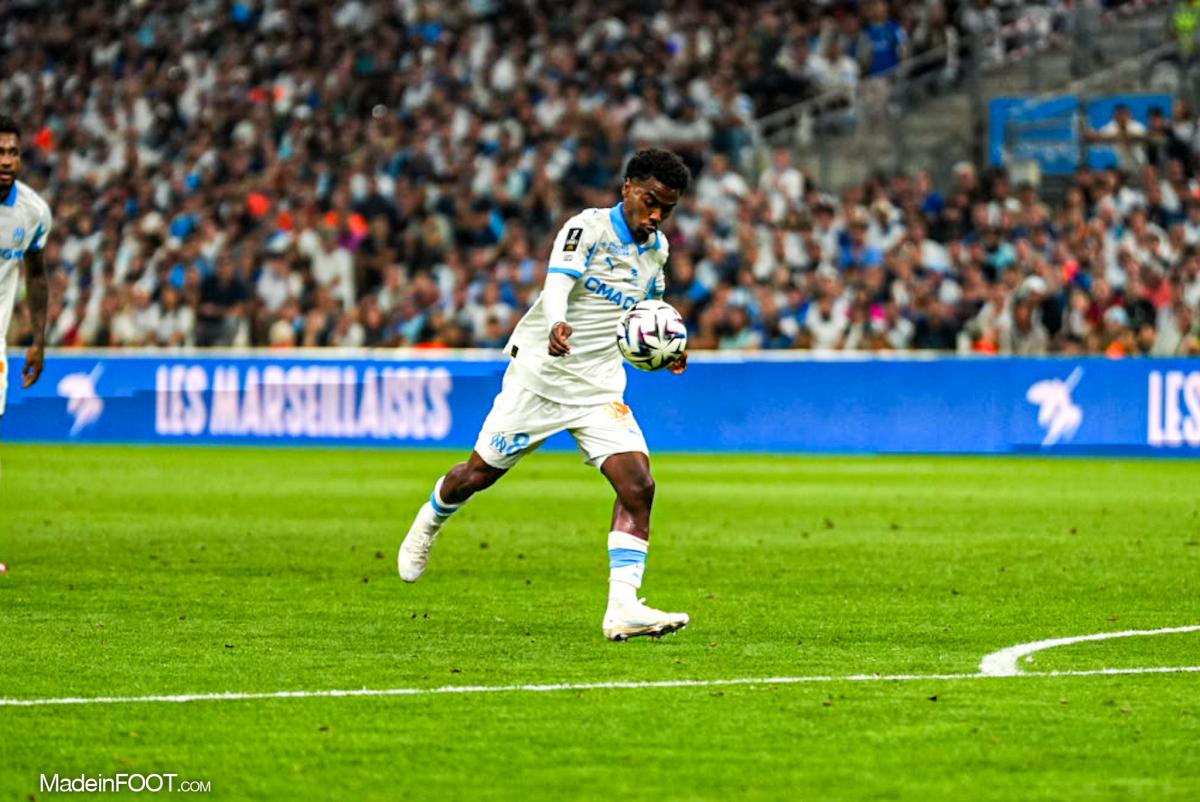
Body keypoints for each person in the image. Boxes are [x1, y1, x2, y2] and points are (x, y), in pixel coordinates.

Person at [398, 149, 692, 642]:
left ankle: (622, 607)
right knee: (477, 475)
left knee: (639, 485)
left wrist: (669, 349)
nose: (657, 214)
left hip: (597, 387)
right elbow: (558, 283)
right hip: (539, 376)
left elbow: (650, 311)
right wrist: (557, 321)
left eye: (668, 207)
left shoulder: (656, 251)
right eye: (651, 200)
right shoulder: (587, 229)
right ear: (627, 188)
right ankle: (429, 521)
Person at [0, 116, 53, 420]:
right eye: (0, 153)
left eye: (13, 153)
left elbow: (36, 277)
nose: (7, 161)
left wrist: (38, 341)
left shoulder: (34, 213)